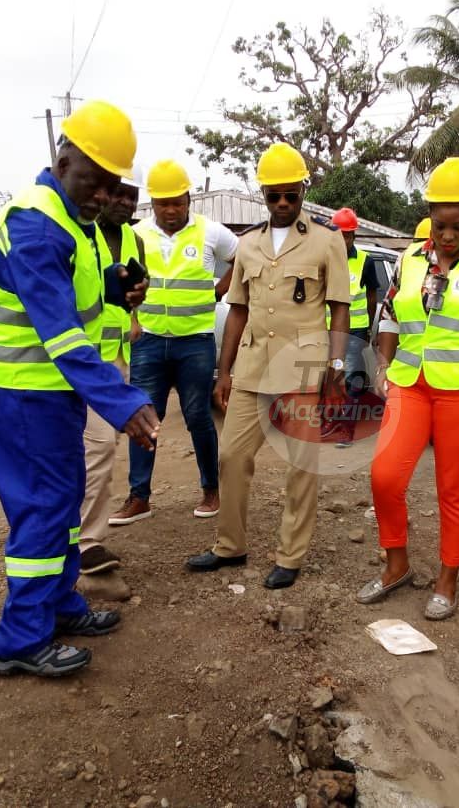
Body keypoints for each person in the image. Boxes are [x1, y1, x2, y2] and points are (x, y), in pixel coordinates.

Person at [0, 100, 160, 677]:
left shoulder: (71, 219)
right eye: (91, 181)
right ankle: (20, 639)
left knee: (63, 501)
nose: (101, 196)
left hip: (45, 393)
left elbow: (67, 290)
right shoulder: (36, 224)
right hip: (17, 390)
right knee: (43, 508)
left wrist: (110, 282)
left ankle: (59, 604)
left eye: (110, 186)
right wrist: (124, 403)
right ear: (62, 157)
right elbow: (60, 333)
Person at [356, 157, 459, 620]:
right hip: (410, 385)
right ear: (429, 217)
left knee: (453, 488)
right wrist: (384, 365)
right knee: (385, 475)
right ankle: (397, 565)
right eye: (439, 224)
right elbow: (390, 314)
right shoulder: (410, 260)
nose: (447, 235)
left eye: (457, 226)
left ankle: (448, 578)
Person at [185, 142, 350, 590]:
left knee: (301, 465)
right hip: (254, 368)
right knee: (233, 456)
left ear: (301, 191)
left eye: (289, 195)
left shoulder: (326, 241)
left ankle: (290, 555)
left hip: (302, 369)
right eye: (273, 195)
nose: (281, 203)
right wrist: (225, 371)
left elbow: (338, 308)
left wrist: (336, 364)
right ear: (263, 193)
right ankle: (230, 547)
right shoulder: (247, 245)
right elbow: (237, 309)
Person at [110, 160, 238, 525]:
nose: (170, 209)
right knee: (144, 417)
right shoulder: (136, 235)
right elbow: (122, 282)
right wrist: (132, 319)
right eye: (163, 202)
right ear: (153, 201)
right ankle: (139, 497)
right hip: (149, 342)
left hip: (194, 343)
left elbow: (242, 258)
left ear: (188, 199)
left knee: (198, 416)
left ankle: (211, 490)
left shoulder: (212, 233)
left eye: (176, 202)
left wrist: (218, 292)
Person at [77, 172, 144, 577]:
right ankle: (83, 542)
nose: (124, 203)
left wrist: (135, 303)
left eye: (132, 197)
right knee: (95, 449)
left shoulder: (131, 238)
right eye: (118, 194)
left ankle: (85, 540)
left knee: (99, 450)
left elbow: (129, 286)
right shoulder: (80, 232)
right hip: (75, 360)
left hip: (114, 358)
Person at [321, 207, 378, 448]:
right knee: (328, 379)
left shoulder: (366, 261)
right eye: (339, 235)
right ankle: (328, 422)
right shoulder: (324, 260)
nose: (343, 240)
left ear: (354, 236)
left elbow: (372, 298)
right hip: (327, 331)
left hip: (355, 331)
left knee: (352, 381)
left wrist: (368, 332)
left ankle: (346, 429)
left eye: (347, 235)